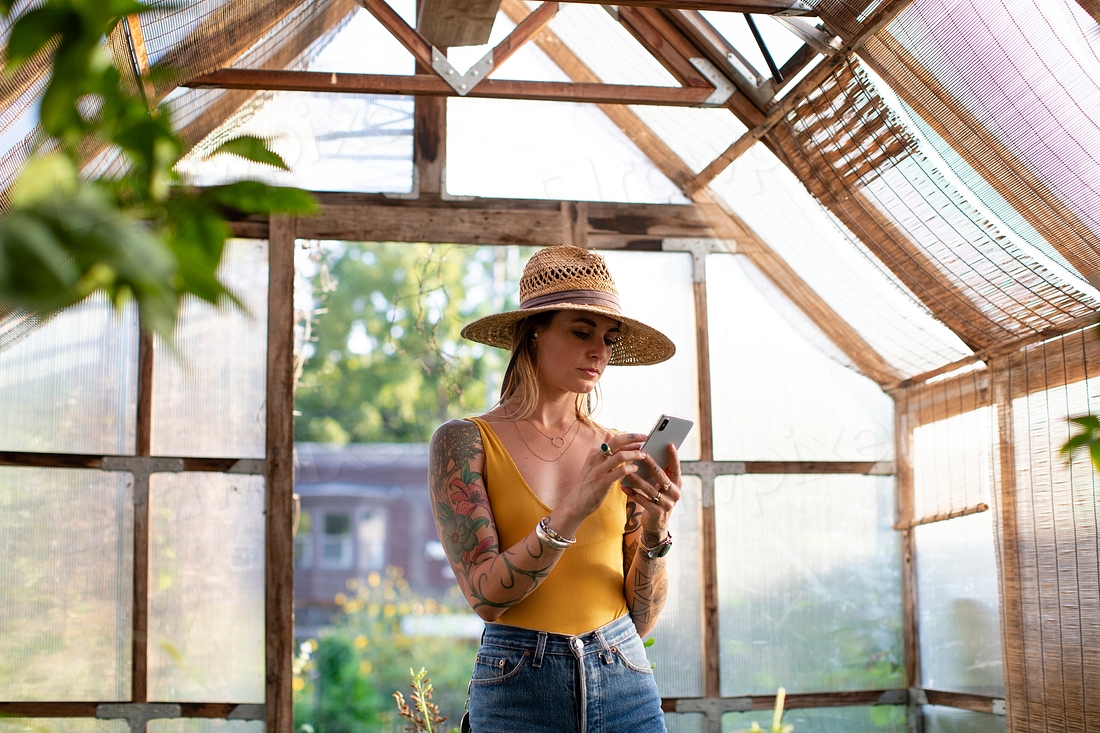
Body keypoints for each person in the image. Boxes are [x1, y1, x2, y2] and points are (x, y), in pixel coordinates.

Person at [428, 245, 683, 733]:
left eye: (609, 339)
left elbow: (642, 620)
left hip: (624, 673)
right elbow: (486, 598)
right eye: (581, 331)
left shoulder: (617, 451)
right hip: (518, 683)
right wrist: (572, 509)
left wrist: (655, 533)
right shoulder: (464, 442)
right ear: (534, 332)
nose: (599, 352)